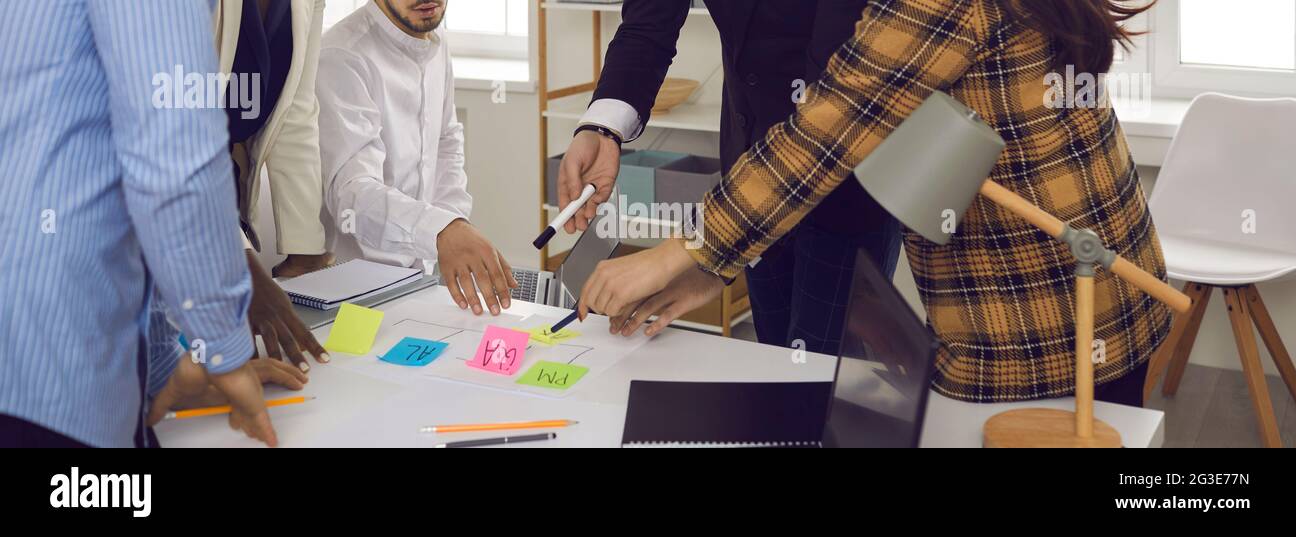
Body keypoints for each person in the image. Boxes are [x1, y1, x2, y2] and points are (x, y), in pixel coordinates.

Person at [580, 0, 1171, 406]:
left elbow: (834, 125)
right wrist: (711, 263)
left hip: (1047, 300)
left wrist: (681, 252)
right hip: (1059, 279)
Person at [0, 0, 277, 447]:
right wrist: (223, 346)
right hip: (50, 364)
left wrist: (163, 361)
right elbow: (173, 158)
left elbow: (86, 152)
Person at [556, 0, 901, 356]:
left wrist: (686, 253)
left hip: (851, 179)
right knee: (773, 357)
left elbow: (838, 111)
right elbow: (647, 25)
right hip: (747, 165)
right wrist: (603, 128)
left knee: (829, 373)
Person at [317, 0, 518, 317]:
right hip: (356, 292)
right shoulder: (342, 55)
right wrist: (440, 230)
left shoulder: (436, 41)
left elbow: (447, 142)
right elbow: (351, 192)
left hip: (424, 280)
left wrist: (453, 227)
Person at [209, 0, 334, 371]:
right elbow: (169, 140)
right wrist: (237, 261)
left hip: (222, 186)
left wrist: (305, 250)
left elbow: (295, 113)